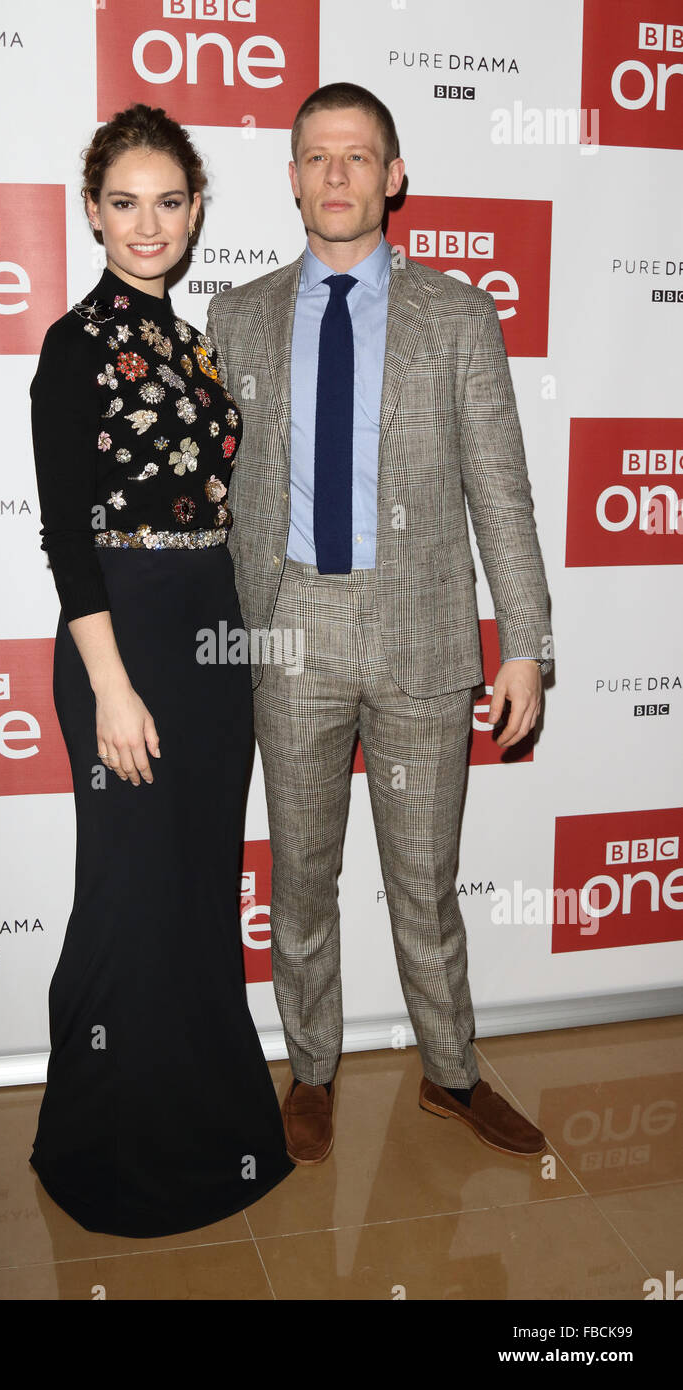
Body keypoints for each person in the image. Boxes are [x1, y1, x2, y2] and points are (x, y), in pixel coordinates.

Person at [206, 82, 553, 1165]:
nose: (338, 176)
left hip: (421, 632)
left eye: (358, 157)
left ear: (392, 176)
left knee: (423, 877)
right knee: (300, 877)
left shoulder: (457, 313)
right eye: (317, 156)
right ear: (294, 176)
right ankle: (311, 1068)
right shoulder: (237, 314)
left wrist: (527, 643)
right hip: (288, 625)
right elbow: (211, 494)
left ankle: (448, 1071)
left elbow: (500, 489)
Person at [28, 103, 293, 1237]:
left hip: (207, 628)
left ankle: (212, 1136)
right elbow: (64, 532)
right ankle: (109, 1150)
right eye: (124, 202)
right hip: (120, 635)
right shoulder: (73, 345)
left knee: (192, 893)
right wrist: (112, 685)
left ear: (193, 215)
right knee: (129, 895)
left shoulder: (195, 342)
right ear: (92, 212)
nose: (148, 224)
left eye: (169, 202)